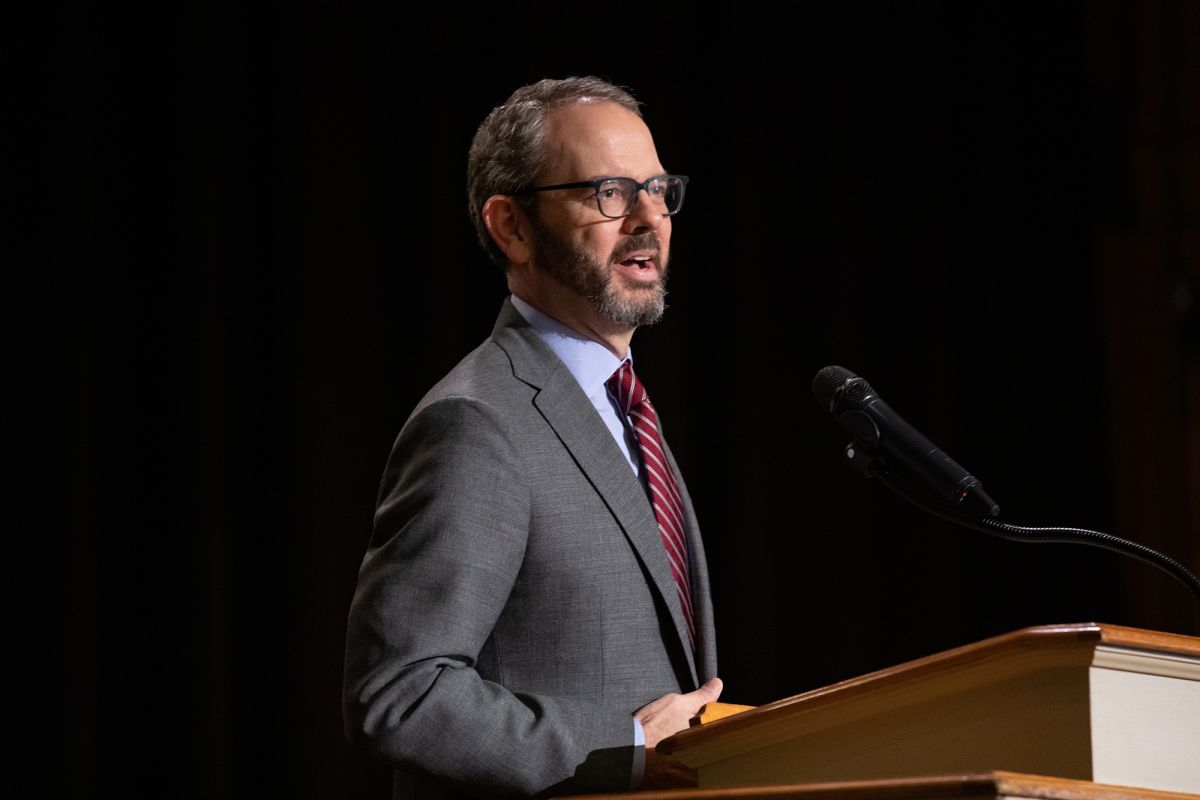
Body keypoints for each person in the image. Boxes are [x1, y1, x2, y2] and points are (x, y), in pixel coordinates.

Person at [343, 76, 721, 799]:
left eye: (658, 188)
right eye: (609, 192)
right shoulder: (477, 424)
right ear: (510, 226)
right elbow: (398, 695)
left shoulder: (626, 408)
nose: (648, 217)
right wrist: (630, 746)